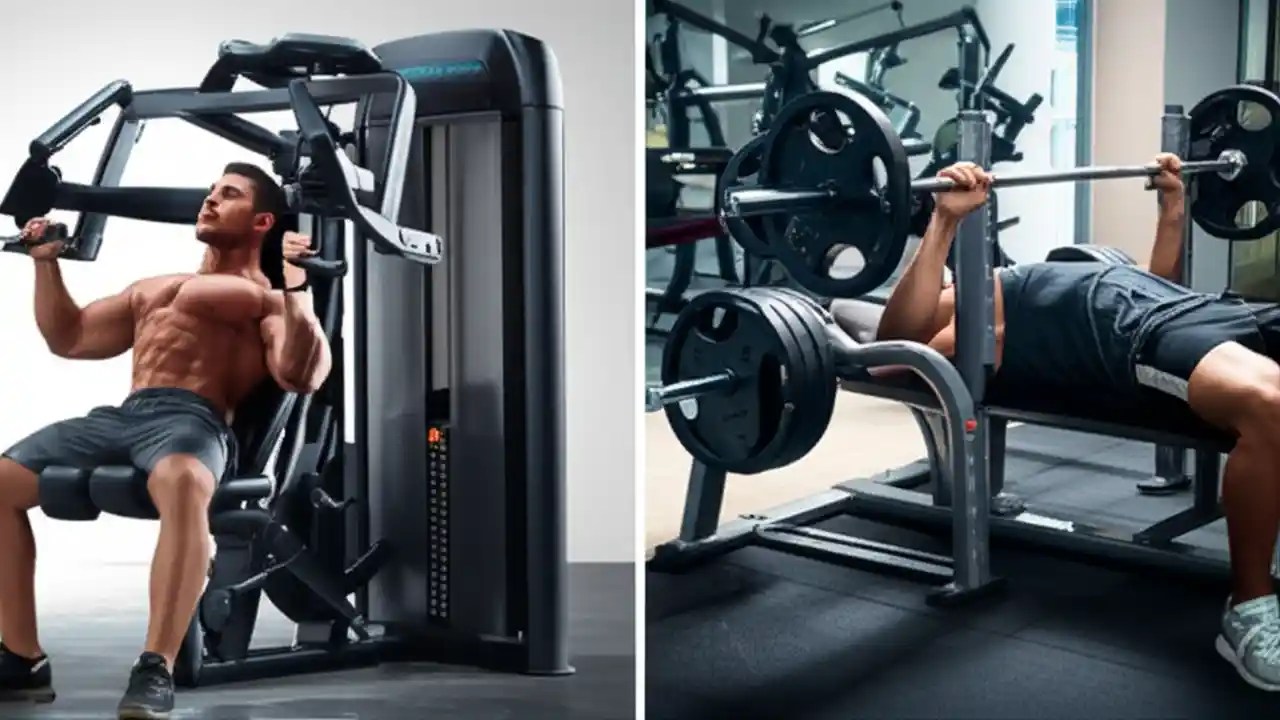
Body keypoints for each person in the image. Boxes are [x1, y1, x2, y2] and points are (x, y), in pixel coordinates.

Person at [864, 153, 1280, 691]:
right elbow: (893, 343)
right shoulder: (971, 322)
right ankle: (1250, 606)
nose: (947, 278)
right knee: (1268, 403)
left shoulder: (1057, 271)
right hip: (1128, 334)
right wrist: (944, 223)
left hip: (1193, 306)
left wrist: (1172, 208)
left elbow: (1158, 283)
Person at [0, 162, 332, 719]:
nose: (209, 200)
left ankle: (155, 666)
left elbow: (303, 375)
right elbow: (72, 337)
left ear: (262, 221)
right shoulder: (153, 287)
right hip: (123, 417)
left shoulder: (265, 297)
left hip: (194, 422)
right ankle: (21, 657)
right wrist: (46, 266)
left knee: (180, 480)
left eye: (228, 195)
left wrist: (298, 285)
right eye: (210, 192)